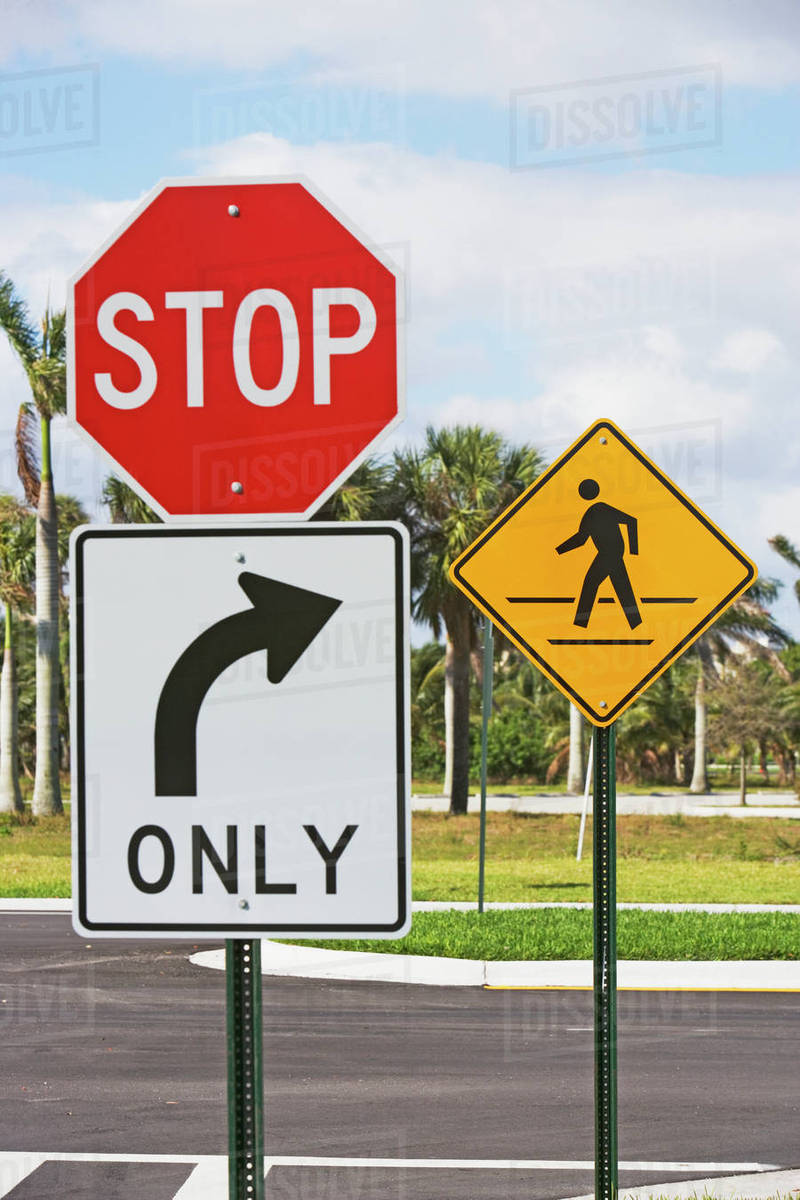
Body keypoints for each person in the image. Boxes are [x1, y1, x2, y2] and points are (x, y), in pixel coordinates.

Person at [556, 479, 641, 629]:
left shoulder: (599, 509)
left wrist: (634, 552)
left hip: (610, 553)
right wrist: (559, 550)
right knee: (622, 587)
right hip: (610, 553)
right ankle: (636, 624)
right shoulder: (592, 512)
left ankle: (580, 624)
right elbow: (581, 539)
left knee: (591, 583)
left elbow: (631, 521)